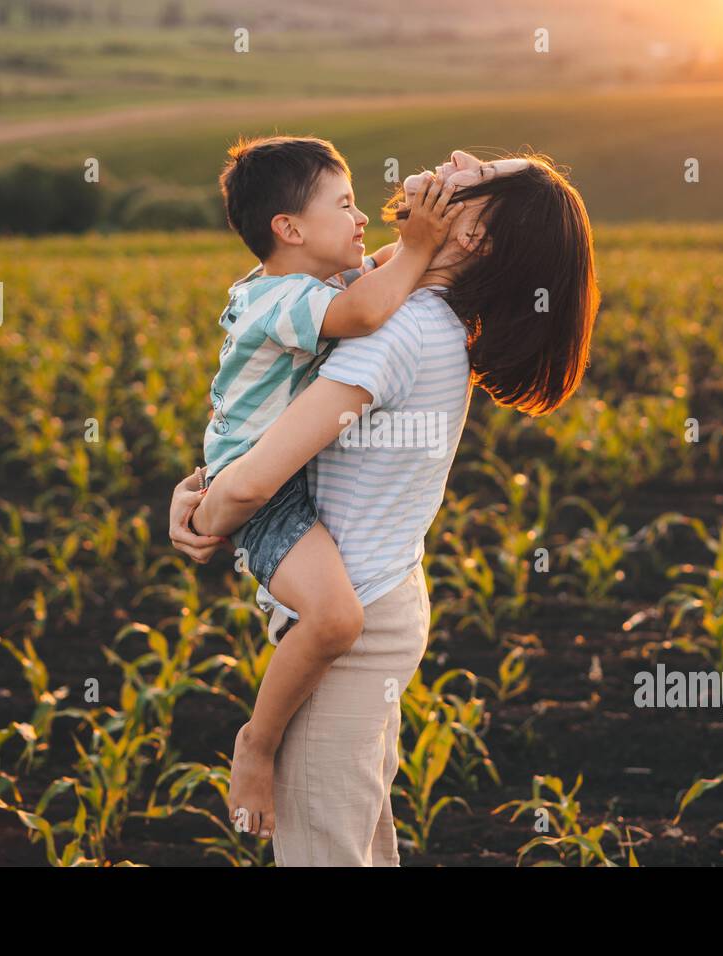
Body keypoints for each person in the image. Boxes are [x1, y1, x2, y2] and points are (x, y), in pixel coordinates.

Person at [171, 149, 600, 865]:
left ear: (471, 238)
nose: (456, 157)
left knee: (325, 853)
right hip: (380, 600)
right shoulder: (420, 315)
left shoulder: (396, 330)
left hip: (353, 625)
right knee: (357, 845)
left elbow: (251, 483)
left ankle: (255, 741)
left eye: (478, 171)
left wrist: (199, 523)